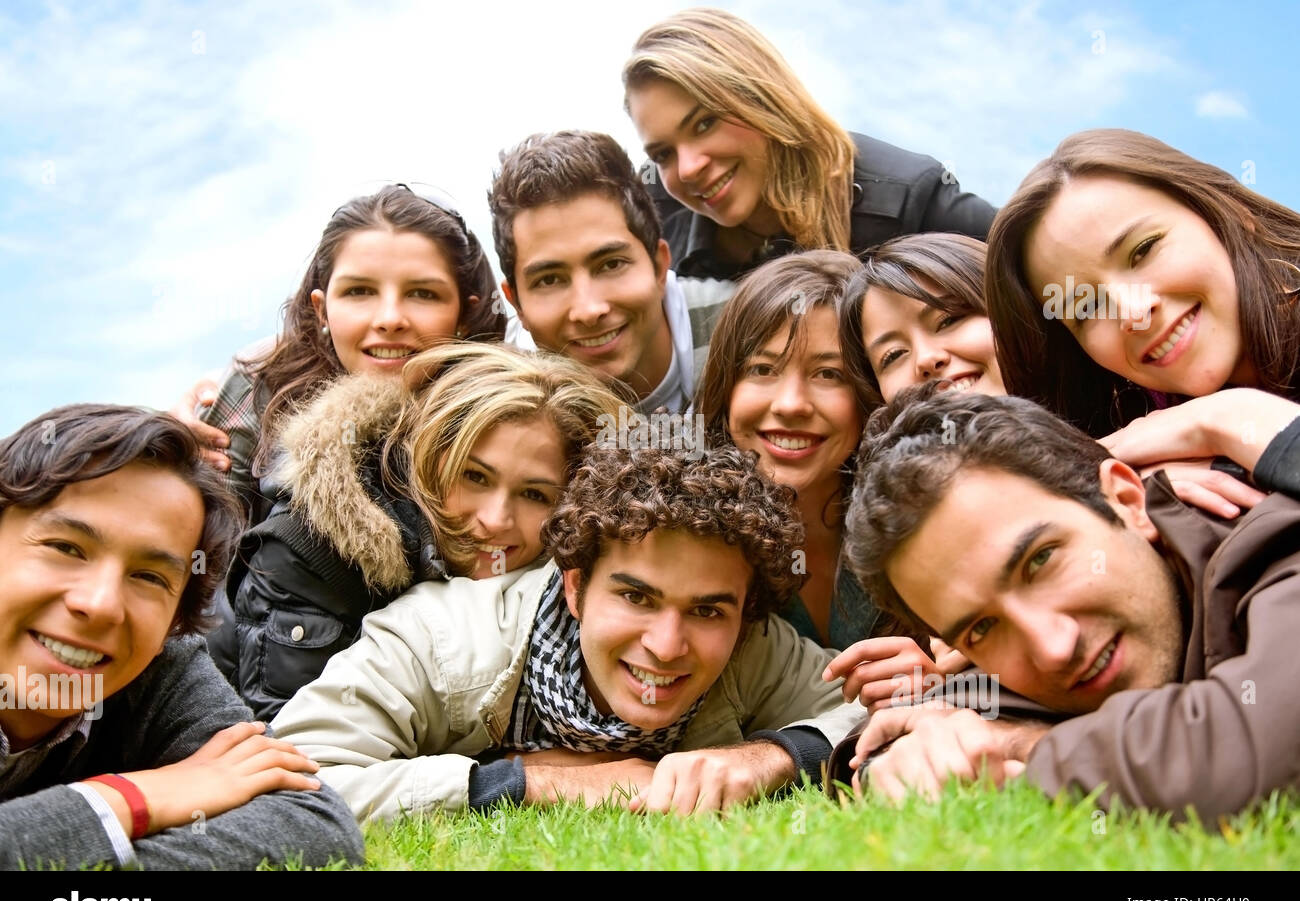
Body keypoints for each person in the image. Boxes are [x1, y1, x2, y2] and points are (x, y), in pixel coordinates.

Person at [272, 445, 863, 821]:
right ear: (576, 588)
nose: (665, 644)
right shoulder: (434, 637)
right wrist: (526, 781)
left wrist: (770, 758)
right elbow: (290, 784)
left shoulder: (751, 646)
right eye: (636, 597)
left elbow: (875, 712)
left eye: (707, 611)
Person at [832, 384, 1300, 820]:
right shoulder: (1020, 661)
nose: (1053, 647)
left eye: (1041, 562)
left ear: (1124, 498)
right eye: (982, 629)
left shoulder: (1274, 538)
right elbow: (903, 733)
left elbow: (1262, 745)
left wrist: (1020, 744)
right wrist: (905, 758)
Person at [0, 404, 364, 869]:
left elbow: (314, 825)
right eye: (66, 548)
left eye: (150, 577)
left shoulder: (163, 666)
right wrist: (132, 797)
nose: (101, 604)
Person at [208, 341, 623, 722]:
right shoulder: (311, 548)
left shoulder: (563, 569)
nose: (497, 519)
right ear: (426, 457)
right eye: (474, 477)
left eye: (534, 494)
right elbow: (294, 746)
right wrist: (512, 772)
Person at [841, 232, 1282, 514]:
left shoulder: (1162, 417)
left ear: (1016, 317)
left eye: (949, 319)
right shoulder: (912, 518)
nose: (927, 358)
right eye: (893, 355)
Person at [172, 184, 504, 527]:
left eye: (423, 293)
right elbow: (202, 549)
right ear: (322, 311)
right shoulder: (260, 384)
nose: (389, 319)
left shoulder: (512, 406)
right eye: (359, 291)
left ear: (464, 314)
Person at [622, 8, 996, 282]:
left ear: (759, 97)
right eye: (663, 154)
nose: (688, 168)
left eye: (705, 123)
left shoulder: (906, 200)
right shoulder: (651, 221)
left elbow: (1037, 264)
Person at [986, 128, 1300, 440]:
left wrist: (1218, 419)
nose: (1134, 312)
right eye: (1088, 306)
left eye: (1143, 250)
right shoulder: (1134, 451)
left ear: (1232, 213)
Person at [696, 250, 885, 651]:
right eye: (762, 369)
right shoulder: (687, 533)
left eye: (829, 374)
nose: (790, 404)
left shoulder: (918, 518)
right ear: (725, 388)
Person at [489, 130, 733, 415]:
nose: (589, 310)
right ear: (516, 303)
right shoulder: (501, 397)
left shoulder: (747, 331)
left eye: (610, 264)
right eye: (549, 280)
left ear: (659, 267)